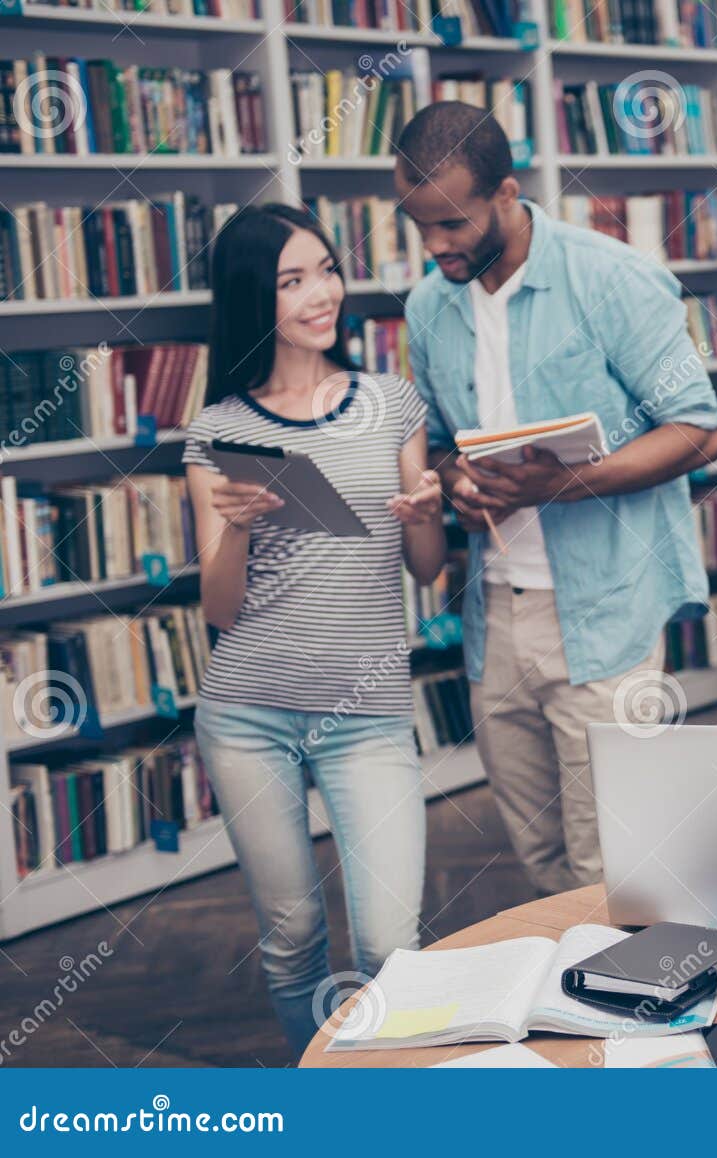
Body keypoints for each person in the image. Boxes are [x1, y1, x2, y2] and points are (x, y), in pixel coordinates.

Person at [393, 102, 717, 897]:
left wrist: (564, 483)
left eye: (451, 223)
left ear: (506, 193)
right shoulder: (426, 307)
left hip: (606, 613)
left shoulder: (612, 278)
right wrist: (459, 480)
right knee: (544, 868)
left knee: (614, 869)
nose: (435, 246)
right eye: (418, 226)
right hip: (496, 619)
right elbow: (438, 439)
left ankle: (640, 1016)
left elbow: (700, 430)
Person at [184, 204, 446, 1055]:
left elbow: (428, 568)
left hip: (367, 718)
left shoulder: (392, 402)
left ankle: (389, 1093)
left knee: (389, 947)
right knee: (293, 942)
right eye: (292, 280)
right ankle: (326, 1096)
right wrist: (240, 527)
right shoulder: (220, 430)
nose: (321, 293)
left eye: (326, 269)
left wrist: (424, 513)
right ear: (254, 299)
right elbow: (219, 611)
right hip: (248, 713)